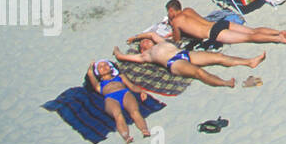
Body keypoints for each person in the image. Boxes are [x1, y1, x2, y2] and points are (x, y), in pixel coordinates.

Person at [113, 35, 265, 88]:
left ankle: (249, 62)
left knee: (218, 57)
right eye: (143, 44)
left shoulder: (159, 42)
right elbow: (121, 57)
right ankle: (225, 83)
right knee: (198, 72)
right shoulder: (145, 55)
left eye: (146, 41)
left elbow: (152, 34)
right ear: (142, 49)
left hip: (184, 53)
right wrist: (116, 51)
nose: (145, 42)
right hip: (174, 63)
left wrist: (138, 36)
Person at [152, 0, 286, 45]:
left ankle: (278, 38)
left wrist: (172, 26)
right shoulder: (188, 10)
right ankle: (279, 32)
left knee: (249, 38)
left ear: (171, 10)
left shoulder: (176, 21)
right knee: (252, 30)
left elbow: (177, 40)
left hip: (213, 32)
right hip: (218, 24)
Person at [86, 59, 149, 143]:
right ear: (97, 72)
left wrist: (141, 91)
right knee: (118, 116)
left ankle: (144, 130)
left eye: (106, 65)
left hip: (125, 94)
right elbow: (90, 74)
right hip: (111, 98)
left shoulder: (120, 77)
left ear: (111, 67)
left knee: (134, 111)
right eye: (100, 67)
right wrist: (91, 66)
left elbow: (132, 86)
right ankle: (126, 137)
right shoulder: (98, 85)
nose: (104, 67)